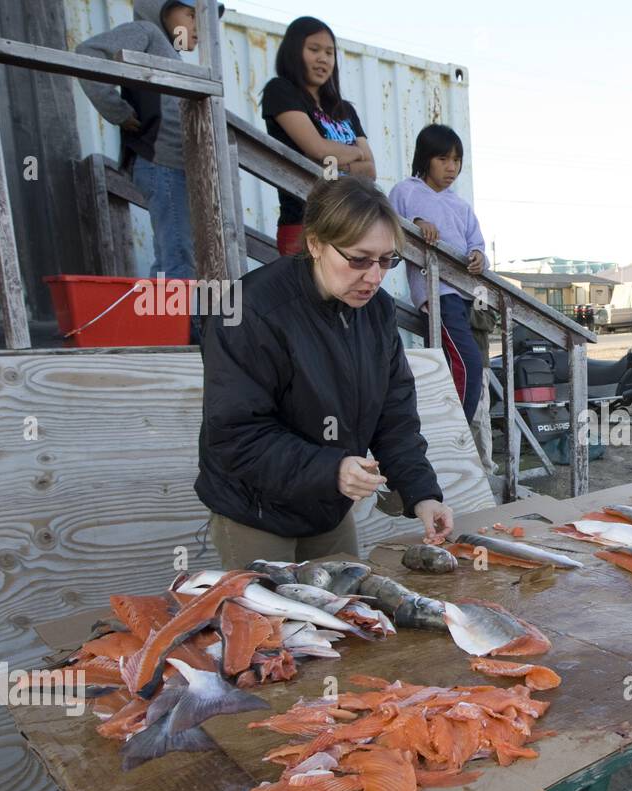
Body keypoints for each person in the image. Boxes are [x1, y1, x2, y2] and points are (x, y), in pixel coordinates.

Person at [196, 176, 453, 569]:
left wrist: (422, 493)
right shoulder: (249, 310)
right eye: (359, 259)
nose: (374, 277)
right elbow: (235, 435)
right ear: (315, 243)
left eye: (386, 260)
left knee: (348, 618)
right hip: (256, 510)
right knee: (274, 628)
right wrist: (330, 469)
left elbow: (394, 415)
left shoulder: (377, 311)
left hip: (327, 506)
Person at [77, 0, 222, 339]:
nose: (200, 27)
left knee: (173, 251)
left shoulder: (171, 54)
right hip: (161, 163)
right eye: (192, 15)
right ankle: (187, 336)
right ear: (161, 8)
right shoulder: (146, 31)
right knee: (177, 252)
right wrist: (116, 110)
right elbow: (88, 52)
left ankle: (165, 329)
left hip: (177, 167)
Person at [389, 124, 489, 425]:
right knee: (468, 364)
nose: (452, 168)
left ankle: (445, 436)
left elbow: (477, 242)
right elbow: (389, 229)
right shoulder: (405, 191)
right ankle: (455, 432)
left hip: (467, 297)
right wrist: (415, 223)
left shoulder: (461, 205)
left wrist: (478, 257)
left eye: (457, 160)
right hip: (439, 295)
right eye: (443, 159)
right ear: (425, 158)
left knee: (456, 365)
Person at [262, 16, 376, 256]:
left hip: (350, 223)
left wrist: (335, 160)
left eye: (330, 52)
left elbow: (371, 170)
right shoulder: (280, 91)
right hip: (304, 224)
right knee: (303, 293)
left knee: (349, 293)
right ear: (293, 51)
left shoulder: (345, 109)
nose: (323, 58)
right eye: (314, 49)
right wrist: (355, 153)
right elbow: (317, 149)